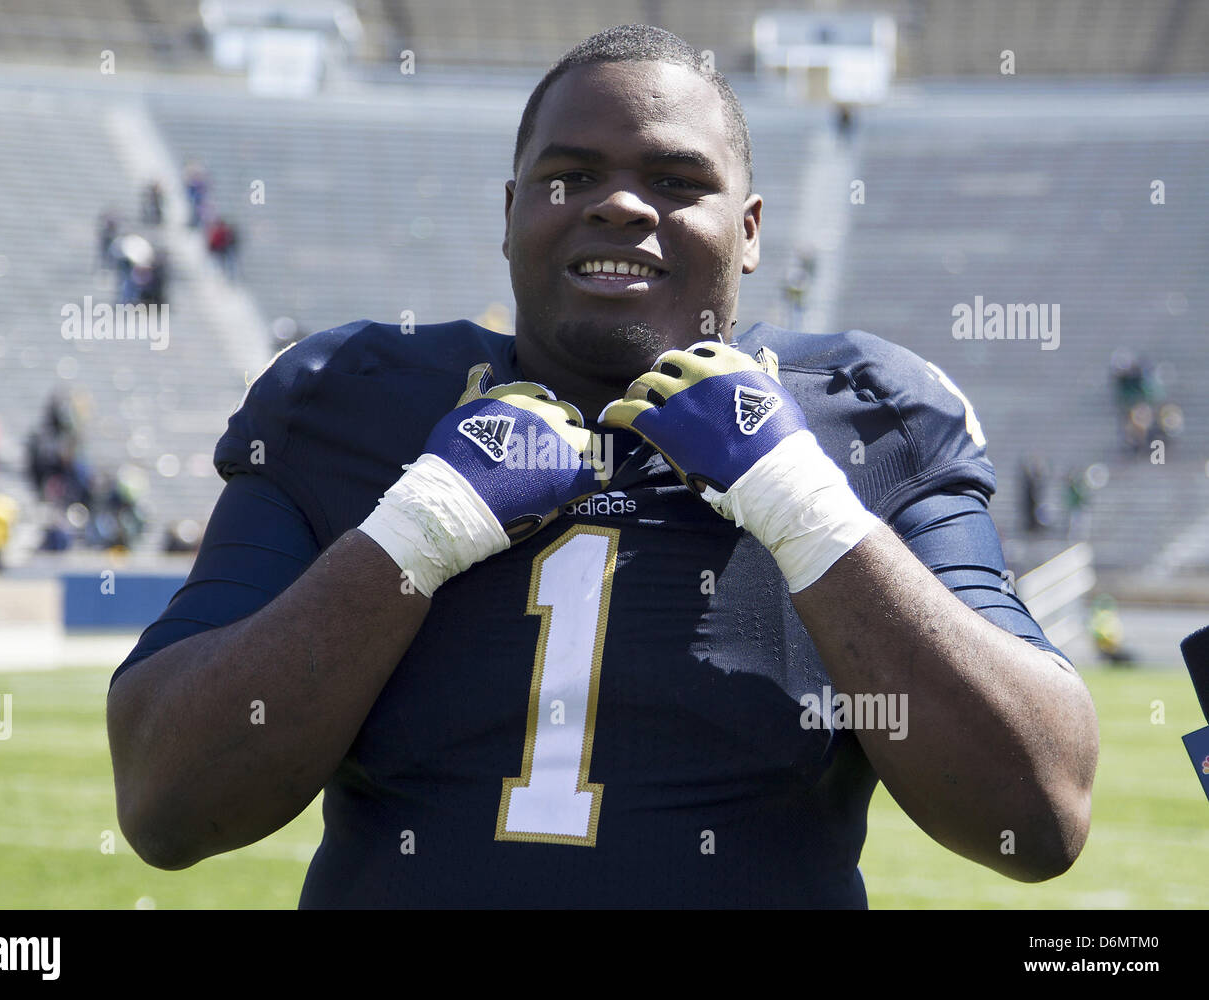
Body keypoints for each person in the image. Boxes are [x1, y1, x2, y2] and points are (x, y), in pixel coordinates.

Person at [107, 25, 1098, 907]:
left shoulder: (868, 416)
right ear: (509, 212)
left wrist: (809, 510)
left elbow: (1039, 811)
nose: (619, 204)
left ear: (749, 232)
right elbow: (167, 802)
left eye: (676, 182)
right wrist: (412, 531)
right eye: (570, 175)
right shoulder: (351, 397)